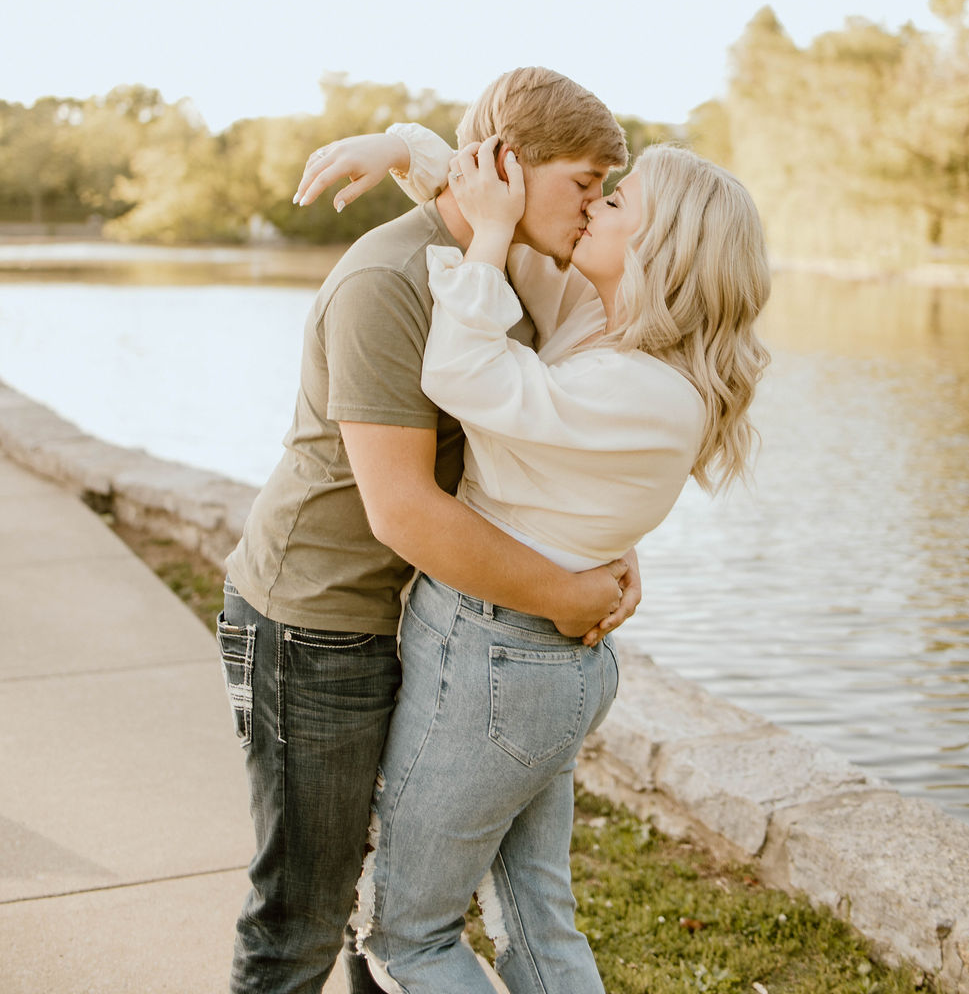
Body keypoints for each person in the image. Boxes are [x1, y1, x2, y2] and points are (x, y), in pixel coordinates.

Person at [300, 121, 771, 994]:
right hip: (531, 660)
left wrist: (480, 238)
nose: (591, 205)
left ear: (658, 244)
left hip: (496, 658)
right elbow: (506, 204)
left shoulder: (642, 390)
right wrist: (407, 148)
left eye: (614, 198)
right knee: (535, 921)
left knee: (409, 936)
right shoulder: (606, 327)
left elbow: (463, 371)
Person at [218, 68, 642, 994]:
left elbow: (533, 448)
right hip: (312, 623)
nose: (595, 207)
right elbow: (402, 510)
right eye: (584, 184)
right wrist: (567, 594)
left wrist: (611, 545)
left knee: (390, 896)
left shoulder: (508, 272)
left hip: (415, 612)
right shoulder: (385, 281)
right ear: (506, 168)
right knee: (304, 913)